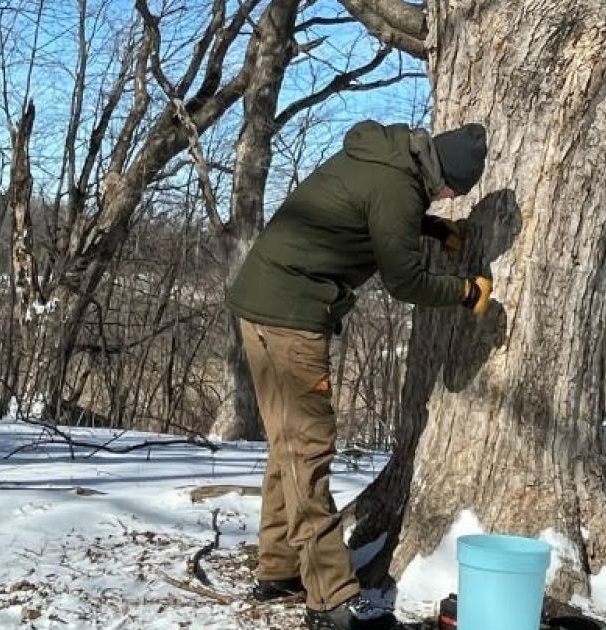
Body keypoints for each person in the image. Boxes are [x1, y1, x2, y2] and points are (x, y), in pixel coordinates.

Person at [226, 119, 489, 630]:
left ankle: (279, 566)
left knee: (289, 444)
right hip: (292, 316)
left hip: (260, 302)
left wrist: (431, 228)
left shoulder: (384, 158)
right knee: (308, 449)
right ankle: (331, 600)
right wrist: (464, 292)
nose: (445, 199)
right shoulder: (399, 188)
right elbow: (404, 280)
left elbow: (365, 216)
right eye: (450, 193)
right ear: (444, 177)